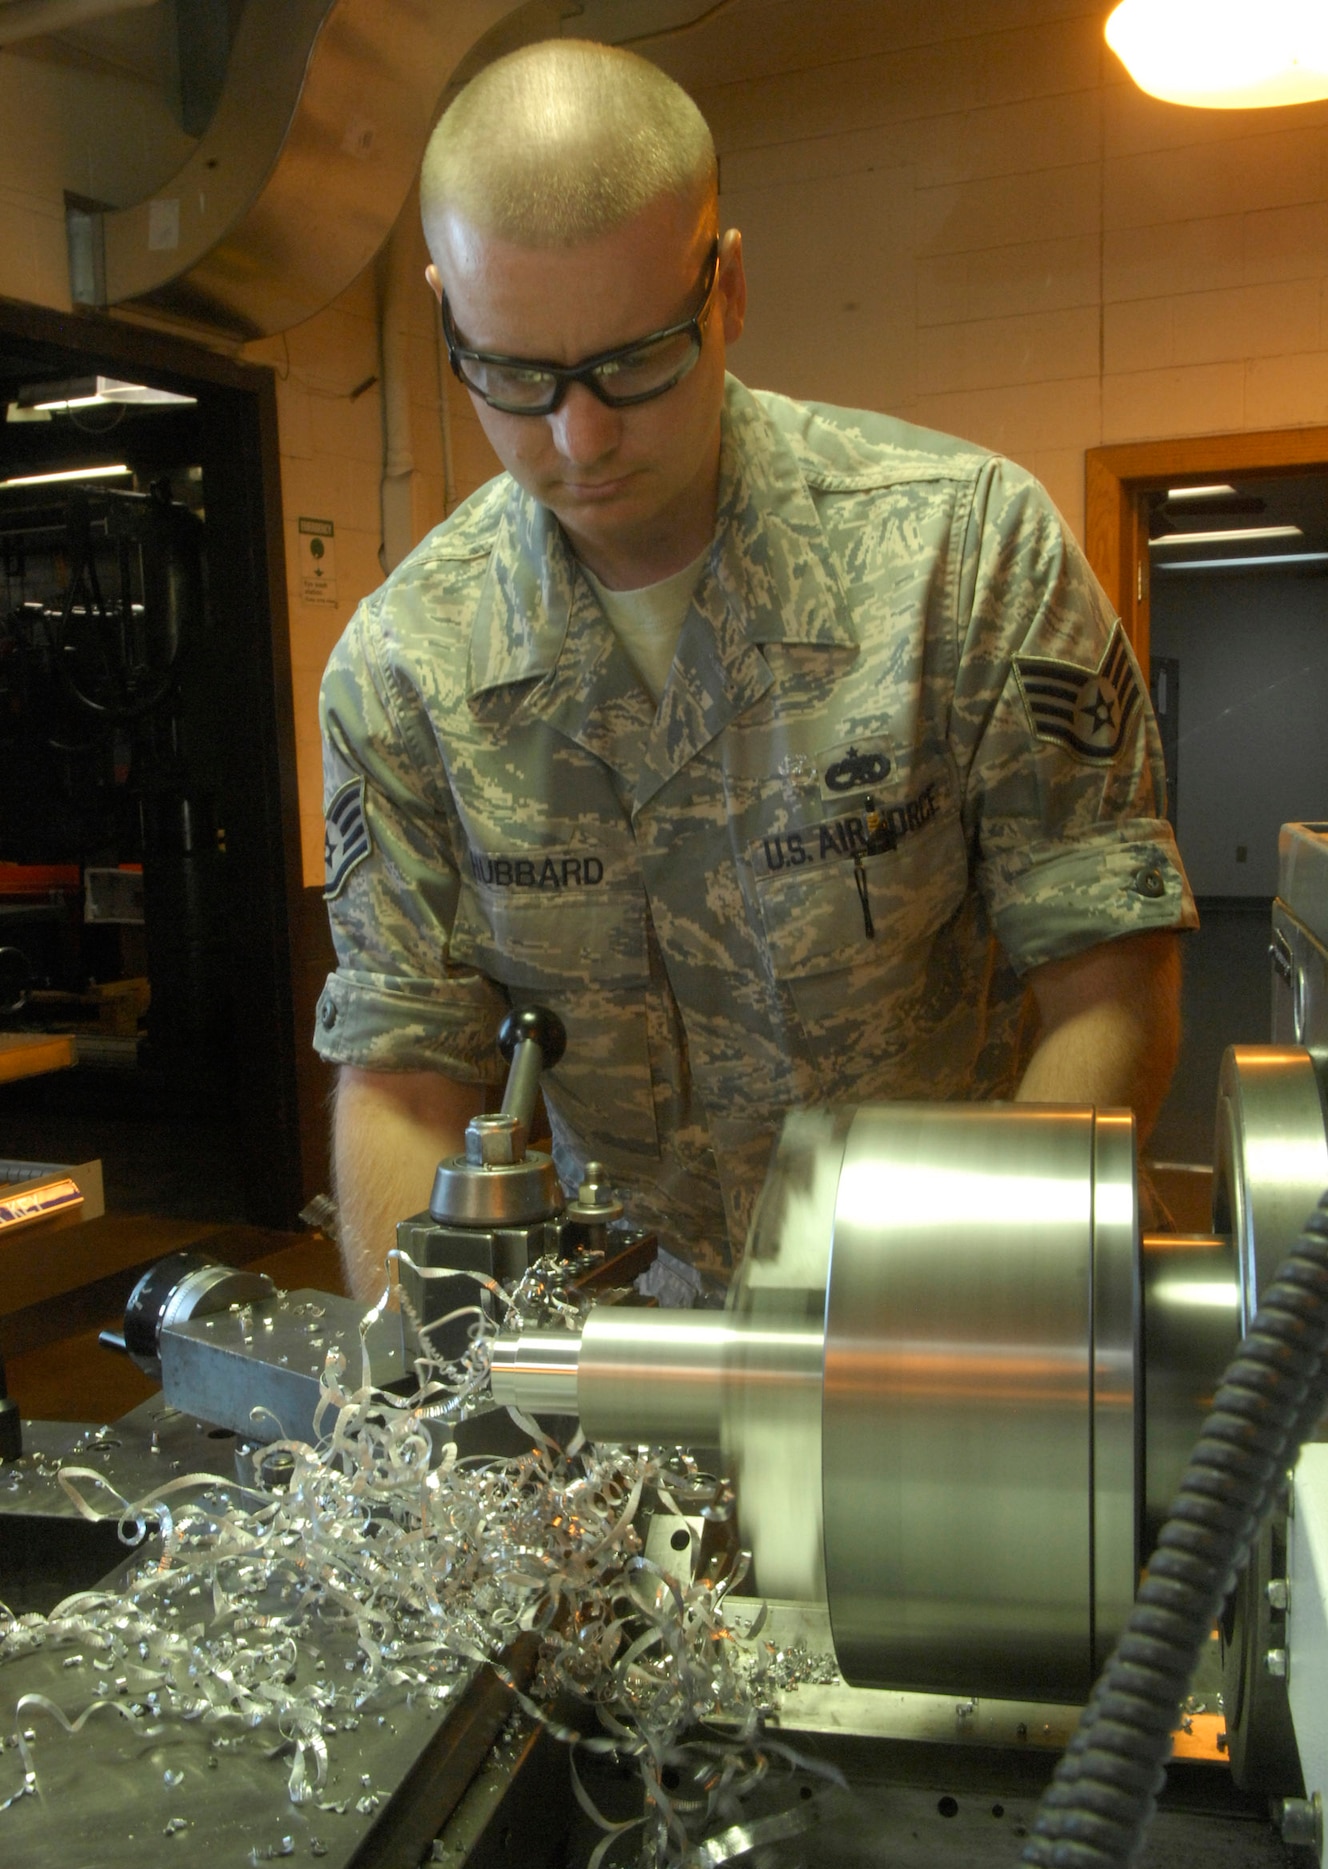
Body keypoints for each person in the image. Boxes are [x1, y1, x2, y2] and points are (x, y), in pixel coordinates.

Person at [315, 38, 1195, 1302]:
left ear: (724, 289)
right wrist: (433, 1413)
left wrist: (981, 1312)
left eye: (634, 359)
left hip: (963, 1292)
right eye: (513, 374)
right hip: (623, 1335)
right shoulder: (407, 665)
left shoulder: (965, 555)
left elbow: (1106, 983)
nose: (581, 434)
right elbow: (402, 1072)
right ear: (447, 310)